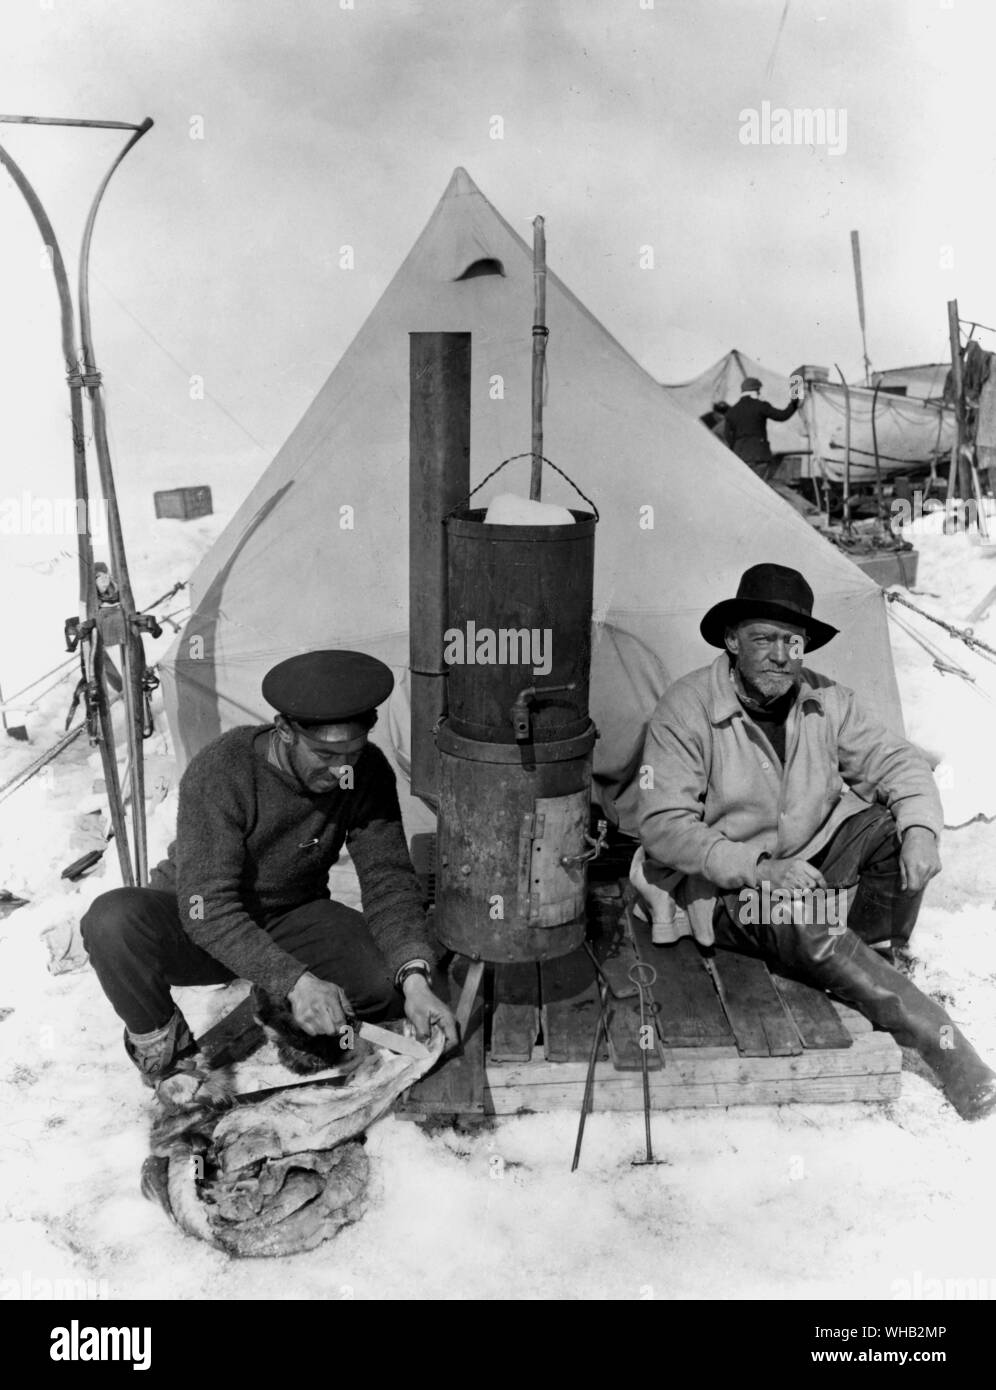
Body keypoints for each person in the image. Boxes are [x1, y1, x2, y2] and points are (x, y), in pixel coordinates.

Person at [634, 564, 996, 1120]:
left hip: (808, 861)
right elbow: (662, 823)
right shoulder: (686, 710)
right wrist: (756, 868)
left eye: (793, 641)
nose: (780, 655)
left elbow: (897, 762)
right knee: (799, 914)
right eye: (763, 639)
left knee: (895, 834)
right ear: (732, 641)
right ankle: (943, 1045)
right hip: (730, 882)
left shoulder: (826, 700)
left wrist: (921, 829)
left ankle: (867, 961)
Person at [81, 649, 458, 1087]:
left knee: (384, 982)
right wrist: (295, 981)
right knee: (113, 922)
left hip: (290, 914)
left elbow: (388, 879)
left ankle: (281, 1006)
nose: (341, 771)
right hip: (195, 918)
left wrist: (414, 978)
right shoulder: (224, 769)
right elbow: (210, 909)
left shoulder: (364, 772)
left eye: (351, 754)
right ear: (284, 731)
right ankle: (169, 1058)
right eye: (324, 754)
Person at [723, 375, 801, 482]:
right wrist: (794, 402)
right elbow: (782, 416)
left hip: (739, 457)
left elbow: (728, 436)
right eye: (759, 391)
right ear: (755, 391)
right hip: (759, 456)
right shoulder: (760, 405)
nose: (759, 394)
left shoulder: (731, 411)